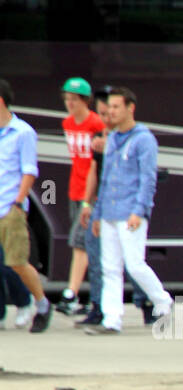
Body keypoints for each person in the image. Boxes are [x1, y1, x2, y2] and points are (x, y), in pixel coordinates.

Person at [89, 86, 173, 335]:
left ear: (130, 108)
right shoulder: (113, 137)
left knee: (134, 264)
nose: (110, 112)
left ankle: (163, 300)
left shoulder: (144, 139)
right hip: (109, 212)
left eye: (116, 107)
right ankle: (111, 320)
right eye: (109, 107)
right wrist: (97, 213)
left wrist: (140, 210)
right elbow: (106, 177)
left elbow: (148, 179)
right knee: (110, 268)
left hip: (130, 212)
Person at [0, 78, 53, 333]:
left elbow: (29, 171)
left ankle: (41, 304)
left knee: (17, 262)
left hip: (10, 207)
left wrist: (19, 203)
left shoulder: (23, 132)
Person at [55, 77, 105, 316]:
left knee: (80, 240)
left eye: (75, 100)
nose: (70, 104)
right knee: (90, 244)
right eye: (67, 99)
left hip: (92, 191)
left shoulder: (96, 123)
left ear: (86, 101)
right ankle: (97, 297)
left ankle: (70, 293)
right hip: (74, 188)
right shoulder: (67, 124)